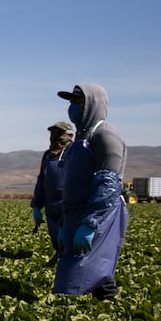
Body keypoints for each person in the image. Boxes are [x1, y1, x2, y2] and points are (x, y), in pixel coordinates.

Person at [53, 84, 127, 300]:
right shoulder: (80, 139)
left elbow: (108, 183)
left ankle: (105, 306)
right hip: (75, 214)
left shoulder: (105, 136)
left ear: (93, 104)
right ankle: (103, 305)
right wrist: (64, 222)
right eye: (71, 102)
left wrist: (91, 223)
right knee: (90, 270)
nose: (72, 107)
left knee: (89, 270)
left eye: (78, 102)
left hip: (98, 214)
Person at [31, 120, 74, 266]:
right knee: (55, 236)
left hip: (68, 201)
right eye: (53, 136)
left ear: (70, 136)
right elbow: (41, 180)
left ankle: (67, 263)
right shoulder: (48, 155)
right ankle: (60, 257)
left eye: (59, 136)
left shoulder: (74, 153)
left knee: (68, 235)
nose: (55, 140)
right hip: (50, 203)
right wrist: (37, 205)